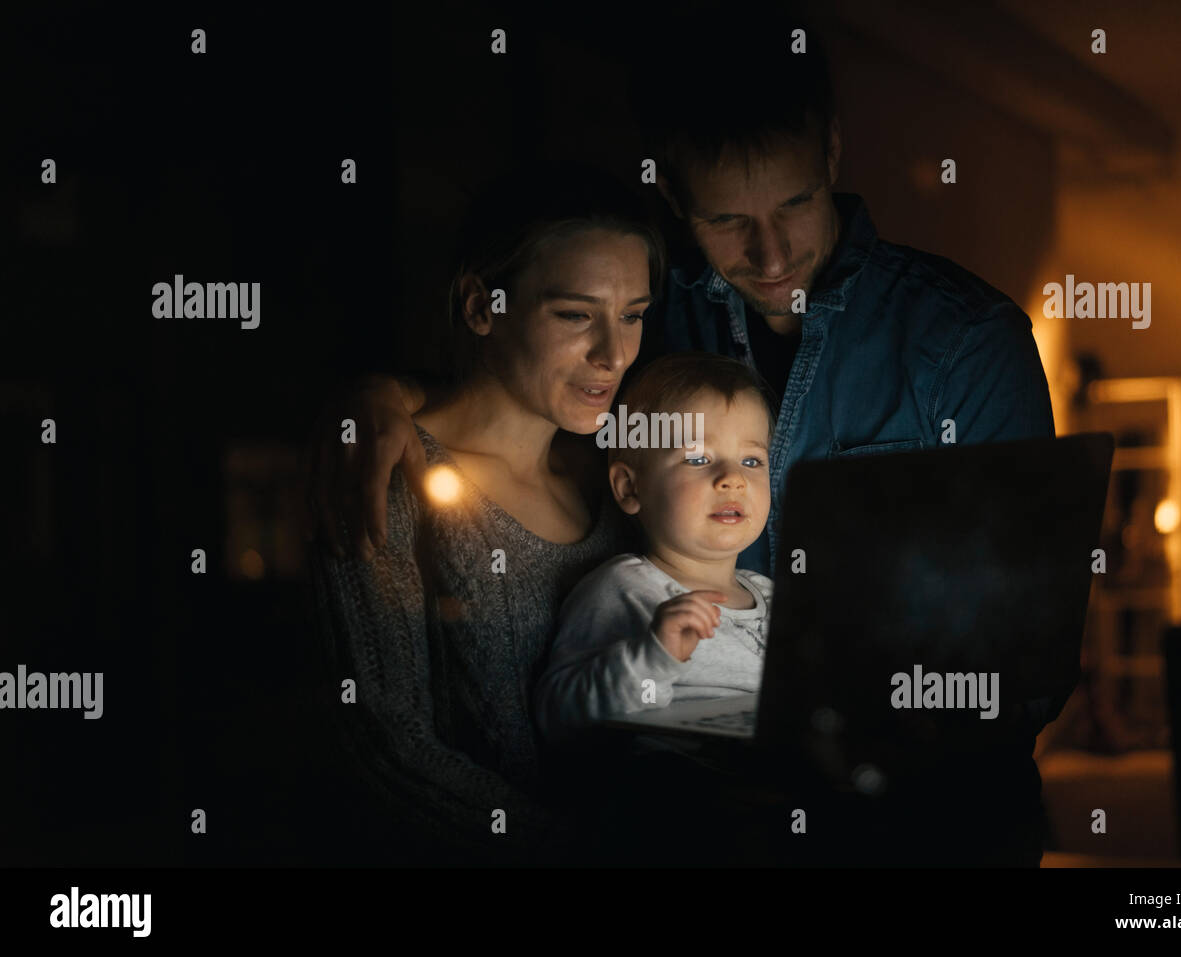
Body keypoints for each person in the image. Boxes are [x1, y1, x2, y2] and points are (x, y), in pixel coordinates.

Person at [309, 18, 1061, 865]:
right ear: (670, 192)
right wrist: (384, 393)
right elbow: (518, 371)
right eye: (729, 218)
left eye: (795, 204)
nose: (771, 253)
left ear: (834, 154)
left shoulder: (965, 340)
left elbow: (1021, 654)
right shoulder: (659, 316)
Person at [309, 163, 664, 863]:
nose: (614, 353)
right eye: (574, 315)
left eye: (633, 315)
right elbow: (384, 744)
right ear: (482, 307)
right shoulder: (390, 470)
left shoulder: (622, 479)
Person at [534, 352, 774, 741]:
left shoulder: (772, 595)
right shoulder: (622, 588)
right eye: (697, 458)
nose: (733, 479)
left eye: (751, 460)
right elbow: (558, 714)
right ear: (631, 487)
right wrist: (653, 657)